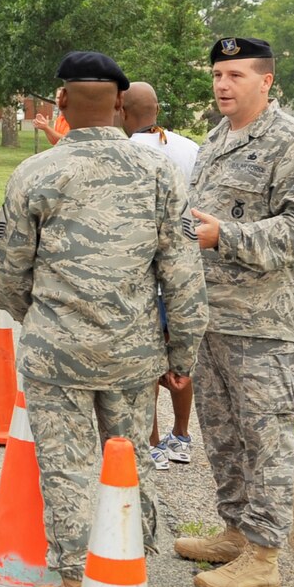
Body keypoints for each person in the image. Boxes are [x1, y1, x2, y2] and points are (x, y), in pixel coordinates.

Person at [0, 51, 208, 587]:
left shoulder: (34, 173)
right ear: (118, 104)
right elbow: (182, 270)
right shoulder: (162, 173)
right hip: (133, 353)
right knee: (129, 459)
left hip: (56, 352)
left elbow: (6, 267)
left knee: (67, 467)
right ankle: (126, 569)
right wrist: (181, 353)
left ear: (60, 103)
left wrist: (36, 317)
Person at [174, 37, 294, 587]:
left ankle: (263, 558)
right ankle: (236, 532)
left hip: (260, 322)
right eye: (217, 73)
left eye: (236, 74)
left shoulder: (291, 142)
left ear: (266, 81)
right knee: (221, 432)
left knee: (265, 436)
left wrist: (227, 236)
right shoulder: (217, 139)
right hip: (210, 315)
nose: (222, 84)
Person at [119, 81, 201, 471]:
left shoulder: (124, 151)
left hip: (143, 274)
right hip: (182, 269)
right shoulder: (188, 148)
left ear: (123, 109)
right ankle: (182, 437)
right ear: (156, 108)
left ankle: (152, 443)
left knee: (148, 362)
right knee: (180, 361)